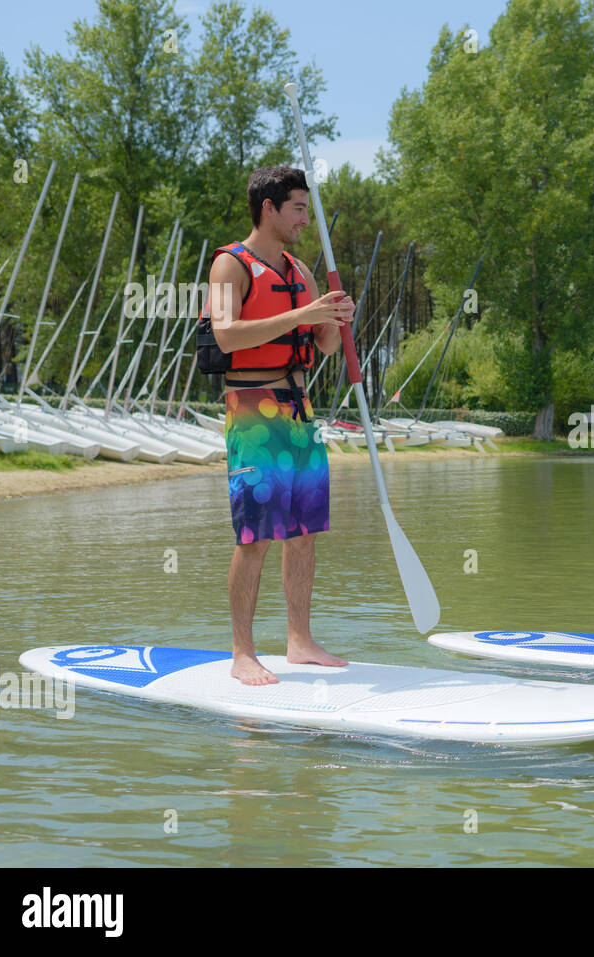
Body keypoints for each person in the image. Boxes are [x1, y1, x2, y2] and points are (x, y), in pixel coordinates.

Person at [202, 165, 355, 685]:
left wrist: (333, 319)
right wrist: (299, 316)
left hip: (300, 407)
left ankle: (299, 640)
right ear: (268, 208)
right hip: (252, 407)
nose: (304, 221)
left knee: (306, 531)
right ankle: (242, 652)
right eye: (297, 209)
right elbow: (224, 336)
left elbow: (326, 346)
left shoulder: (300, 271)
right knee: (255, 535)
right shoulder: (229, 266)